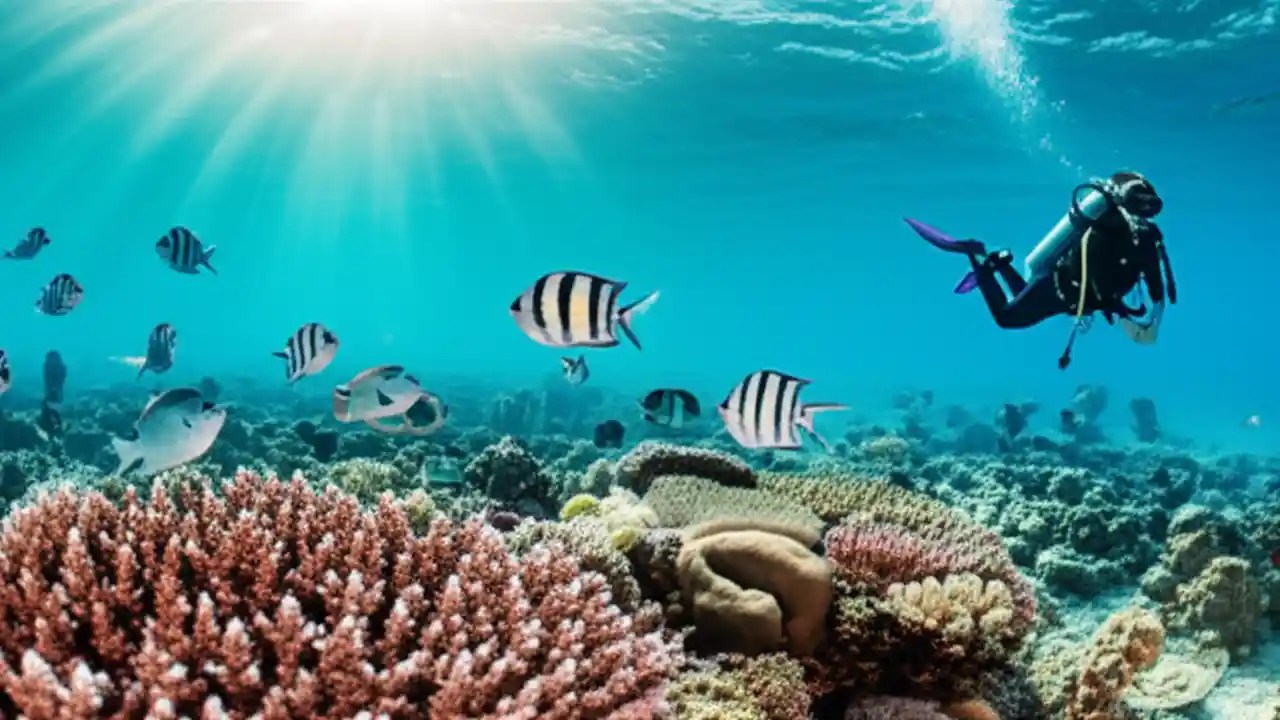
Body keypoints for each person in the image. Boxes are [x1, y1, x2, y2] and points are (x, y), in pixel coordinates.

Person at [906, 170, 1177, 369]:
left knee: (1023, 297)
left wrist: (1141, 316)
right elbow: (1149, 286)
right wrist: (1139, 314)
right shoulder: (1116, 230)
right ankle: (979, 257)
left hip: (1067, 296)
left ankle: (998, 263)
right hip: (1058, 288)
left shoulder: (1143, 237)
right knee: (1006, 318)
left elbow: (1154, 286)